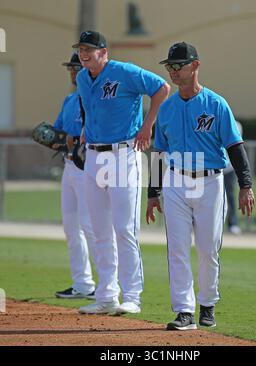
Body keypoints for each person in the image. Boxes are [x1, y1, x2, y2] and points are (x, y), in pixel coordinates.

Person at [146, 42, 255, 330]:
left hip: (210, 182)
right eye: (170, 66)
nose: (173, 71)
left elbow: (234, 145)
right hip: (175, 181)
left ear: (195, 65)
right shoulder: (167, 108)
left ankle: (207, 304)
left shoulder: (216, 104)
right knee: (177, 249)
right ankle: (184, 311)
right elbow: (158, 152)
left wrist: (246, 185)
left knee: (208, 249)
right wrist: (152, 193)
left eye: (178, 65)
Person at [73, 31, 170, 315]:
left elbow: (162, 87)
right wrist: (85, 127)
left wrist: (148, 125)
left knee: (125, 229)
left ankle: (133, 296)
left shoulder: (124, 71)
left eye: (89, 48)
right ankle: (106, 295)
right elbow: (87, 105)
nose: (84, 53)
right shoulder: (81, 78)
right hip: (93, 155)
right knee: (98, 229)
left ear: (104, 51)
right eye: (81, 48)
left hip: (123, 154)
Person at [53, 53, 98, 300]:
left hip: (87, 166)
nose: (72, 71)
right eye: (70, 67)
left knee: (90, 225)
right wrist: (55, 138)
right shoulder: (70, 99)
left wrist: (74, 138)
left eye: (76, 67)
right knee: (71, 227)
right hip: (69, 166)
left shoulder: (93, 99)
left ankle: (106, 284)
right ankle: (82, 284)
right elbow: (59, 132)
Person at [224, 121, 243, 235]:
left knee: (230, 196)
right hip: (213, 167)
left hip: (228, 167)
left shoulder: (236, 125)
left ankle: (233, 223)